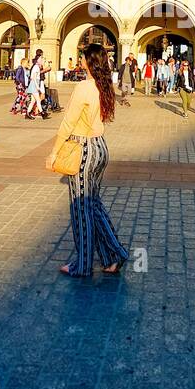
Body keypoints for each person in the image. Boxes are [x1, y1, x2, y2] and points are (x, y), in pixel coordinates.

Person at [46, 42, 128, 278]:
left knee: (80, 209)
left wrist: (54, 152)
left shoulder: (83, 87)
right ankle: (111, 256)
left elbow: (68, 123)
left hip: (83, 149)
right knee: (93, 205)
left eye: (83, 58)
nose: (80, 61)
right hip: (100, 148)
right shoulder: (104, 86)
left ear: (90, 62)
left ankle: (83, 265)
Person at [25, 49, 46, 119]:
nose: (41, 59)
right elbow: (33, 77)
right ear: (37, 60)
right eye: (40, 58)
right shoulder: (36, 67)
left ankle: (27, 113)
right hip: (34, 85)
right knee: (38, 100)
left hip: (34, 85)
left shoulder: (37, 67)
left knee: (33, 101)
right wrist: (37, 87)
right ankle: (42, 112)